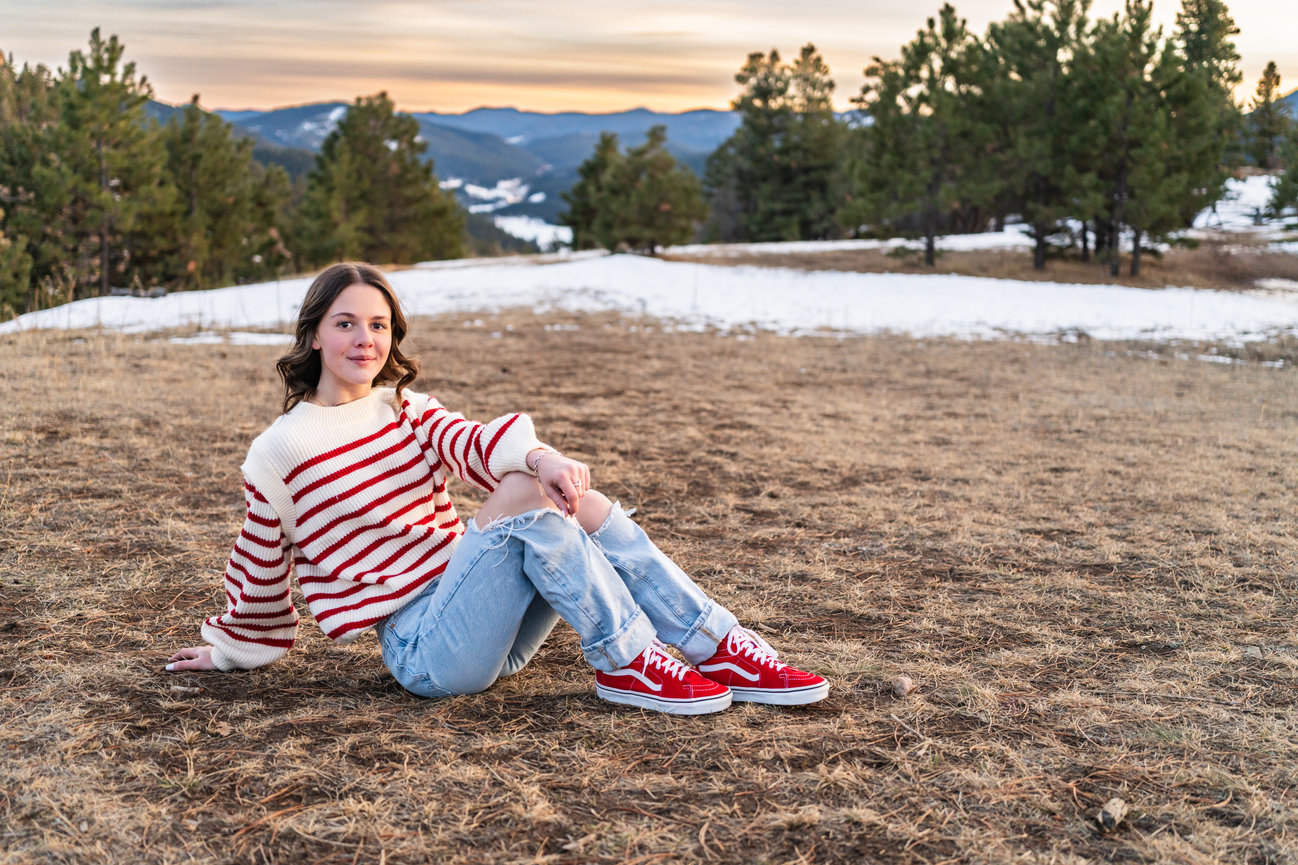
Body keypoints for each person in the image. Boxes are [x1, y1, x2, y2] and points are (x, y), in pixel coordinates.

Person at [166, 262, 828, 715]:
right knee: (525, 498)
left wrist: (545, 458)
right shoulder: (281, 450)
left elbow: (477, 443)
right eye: (346, 323)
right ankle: (632, 657)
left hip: (494, 631)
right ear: (314, 333)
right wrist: (227, 649)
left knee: (553, 491)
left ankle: (715, 642)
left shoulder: (405, 410)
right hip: (426, 650)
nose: (364, 339)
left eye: (378, 325)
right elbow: (258, 563)